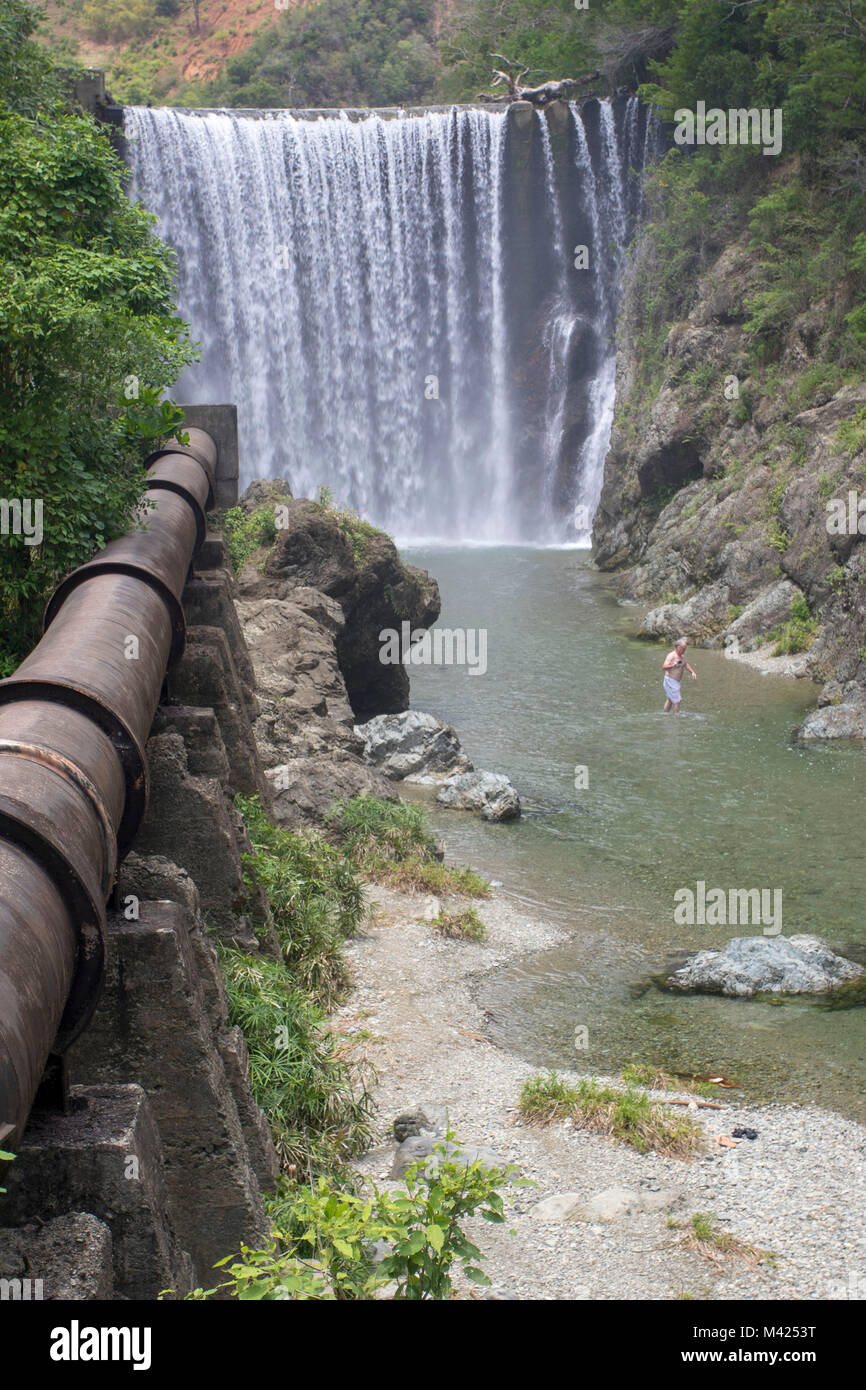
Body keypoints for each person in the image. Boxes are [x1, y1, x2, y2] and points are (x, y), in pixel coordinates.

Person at [662, 637, 697, 712]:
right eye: (683, 649)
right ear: (678, 648)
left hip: (676, 682)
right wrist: (673, 665)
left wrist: (692, 672)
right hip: (670, 681)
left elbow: (685, 664)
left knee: (670, 699)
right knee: (677, 701)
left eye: (685, 649)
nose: (684, 651)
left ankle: (665, 714)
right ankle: (676, 718)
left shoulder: (681, 656)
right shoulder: (671, 656)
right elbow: (664, 667)